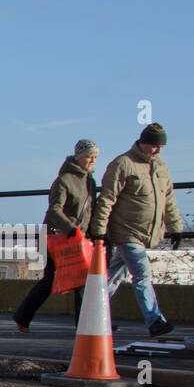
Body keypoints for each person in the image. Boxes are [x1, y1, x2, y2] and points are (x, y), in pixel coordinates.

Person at [89, 123, 182, 337]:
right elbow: (107, 199)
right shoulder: (123, 164)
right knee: (142, 274)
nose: (157, 150)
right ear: (143, 142)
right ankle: (154, 320)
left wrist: (175, 227)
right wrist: (99, 230)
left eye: (161, 147)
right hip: (126, 232)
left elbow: (169, 200)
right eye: (154, 146)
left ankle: (90, 315)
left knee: (111, 278)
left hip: (143, 234)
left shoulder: (161, 167)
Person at [13, 139, 98, 333]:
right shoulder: (64, 180)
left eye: (95, 157)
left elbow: (91, 209)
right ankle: (84, 328)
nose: (93, 160)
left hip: (75, 238)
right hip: (58, 237)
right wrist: (70, 228)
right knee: (54, 280)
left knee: (77, 281)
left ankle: (83, 326)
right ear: (79, 157)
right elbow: (54, 209)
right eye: (89, 156)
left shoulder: (90, 181)